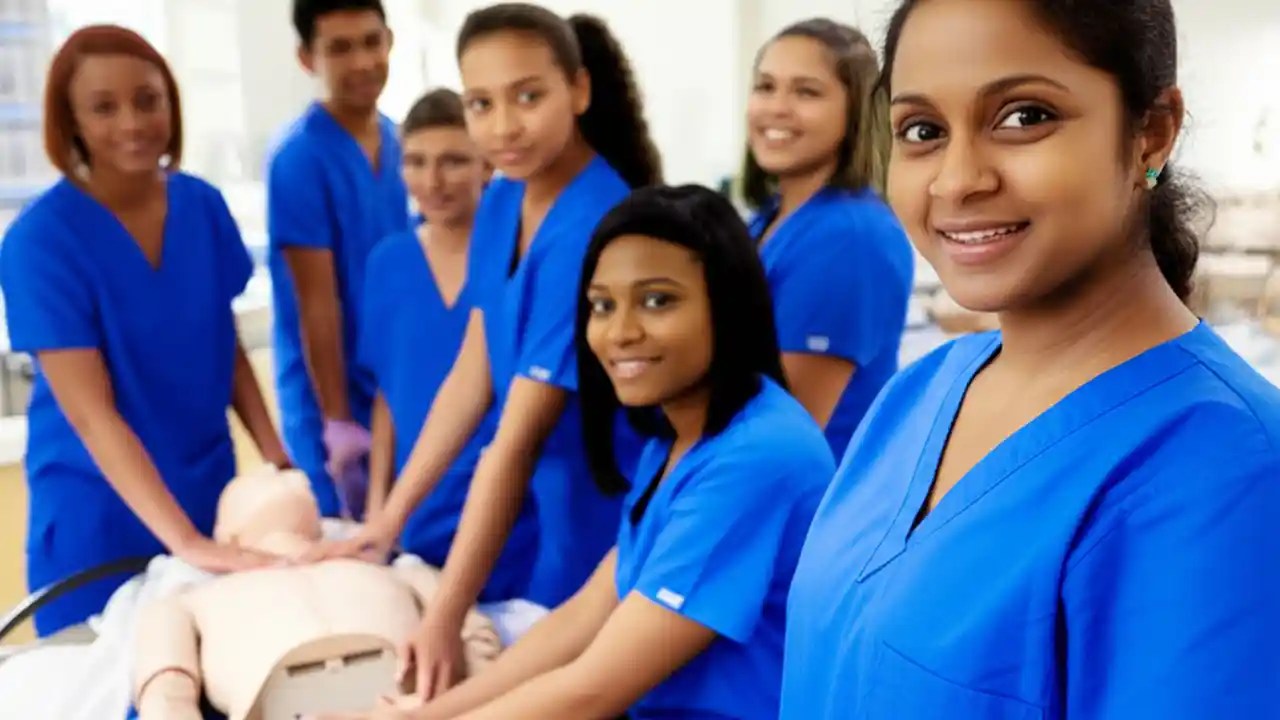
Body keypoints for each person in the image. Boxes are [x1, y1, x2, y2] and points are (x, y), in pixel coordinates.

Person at [780, 0, 1280, 718]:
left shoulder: (1223, 472)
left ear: (1153, 133)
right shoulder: (919, 395)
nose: (956, 181)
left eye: (1023, 117)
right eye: (922, 131)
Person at [344, 184, 832, 720]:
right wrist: (420, 714)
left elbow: (594, 688)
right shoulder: (678, 438)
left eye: (657, 300)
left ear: (727, 304)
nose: (620, 332)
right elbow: (583, 618)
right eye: (602, 305)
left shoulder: (758, 456)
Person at [322, 1, 663, 699]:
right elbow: (472, 374)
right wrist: (388, 521)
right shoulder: (505, 197)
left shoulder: (595, 223)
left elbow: (517, 435)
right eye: (481, 103)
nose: (502, 126)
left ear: (579, 90)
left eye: (528, 97)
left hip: (605, 520)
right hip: (550, 526)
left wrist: (444, 613)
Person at [0, 25, 288, 637]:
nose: (132, 122)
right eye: (104, 107)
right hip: (97, 513)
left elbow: (226, 347)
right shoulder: (41, 242)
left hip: (207, 492)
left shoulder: (203, 207)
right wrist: (184, 542)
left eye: (147, 99)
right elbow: (91, 415)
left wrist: (275, 454)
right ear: (70, 121)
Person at [359, 88, 538, 603]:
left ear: (488, 165)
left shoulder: (517, 257)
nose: (431, 182)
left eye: (454, 161)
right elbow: (387, 398)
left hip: (513, 516)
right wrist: (380, 509)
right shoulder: (387, 263)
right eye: (415, 162)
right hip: (419, 515)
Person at [742, 18, 914, 458]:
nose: (777, 107)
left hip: (803, 504)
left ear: (855, 110)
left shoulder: (848, 238)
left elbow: (787, 428)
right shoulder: (771, 218)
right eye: (766, 87)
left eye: (806, 92)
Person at [266, 0, 409, 518]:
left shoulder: (401, 143)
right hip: (331, 402)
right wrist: (337, 421)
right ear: (308, 58)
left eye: (372, 42)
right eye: (340, 49)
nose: (363, 62)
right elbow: (316, 301)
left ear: (390, 40)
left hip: (394, 389)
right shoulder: (300, 158)